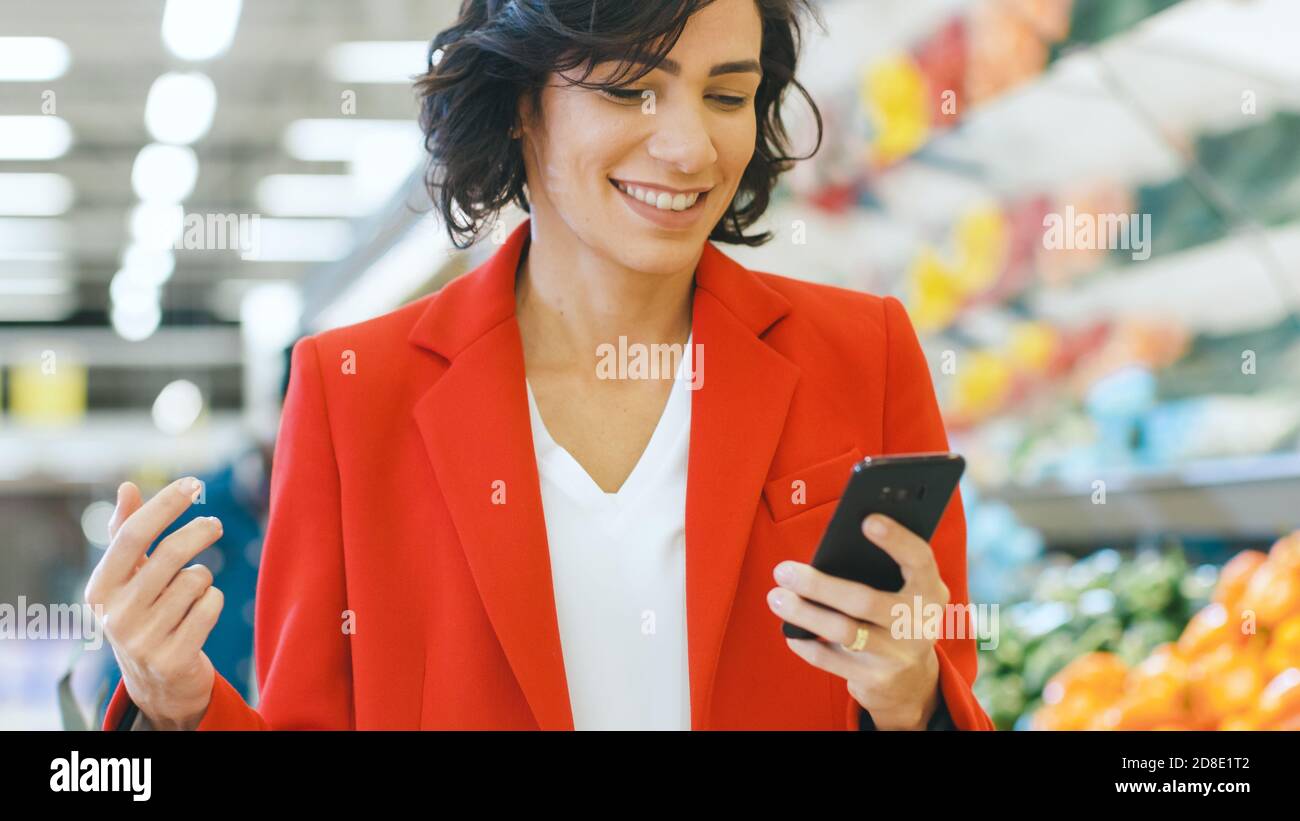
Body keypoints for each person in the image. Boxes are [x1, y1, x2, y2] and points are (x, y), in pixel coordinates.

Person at [88, 0, 994, 730]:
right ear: (522, 103)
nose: (688, 148)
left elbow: (945, 685)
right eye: (631, 89)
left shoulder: (859, 352)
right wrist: (179, 707)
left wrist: (911, 701)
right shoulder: (354, 392)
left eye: (726, 97)